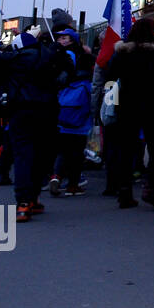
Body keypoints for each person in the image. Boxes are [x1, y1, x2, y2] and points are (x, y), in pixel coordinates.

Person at [0, 30, 75, 222]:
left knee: (22, 156)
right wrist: (58, 82)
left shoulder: (14, 57)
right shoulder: (51, 55)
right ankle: (34, 197)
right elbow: (70, 69)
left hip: (21, 110)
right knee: (42, 157)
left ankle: (22, 203)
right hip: (48, 110)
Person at [101, 19, 154, 210]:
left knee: (125, 149)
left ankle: (124, 191)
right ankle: (151, 188)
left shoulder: (122, 54)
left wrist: (112, 104)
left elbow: (109, 79)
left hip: (127, 106)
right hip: (153, 106)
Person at [52, 29, 95, 196]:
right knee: (77, 148)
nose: (61, 41)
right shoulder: (82, 56)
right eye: (60, 38)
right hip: (80, 102)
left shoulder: (61, 55)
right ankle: (72, 184)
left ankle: (56, 176)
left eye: (65, 38)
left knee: (63, 147)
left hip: (65, 100)